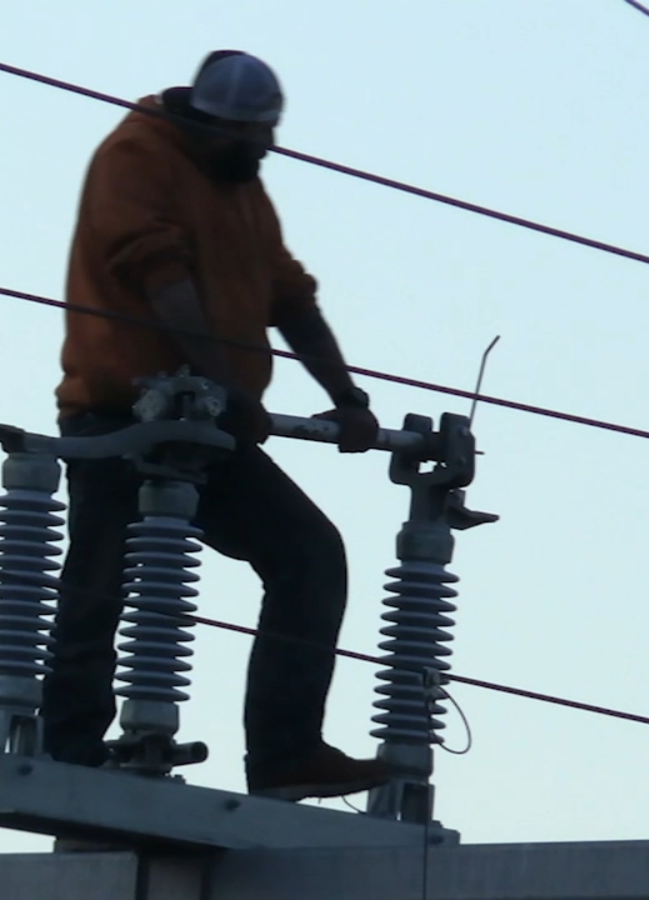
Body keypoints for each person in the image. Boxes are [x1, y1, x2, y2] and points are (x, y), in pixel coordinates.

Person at [43, 49, 391, 802]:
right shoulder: (136, 158)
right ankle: (68, 748)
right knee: (102, 577)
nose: (265, 152)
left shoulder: (240, 184)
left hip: (209, 421)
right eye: (254, 138)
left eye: (270, 137)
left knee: (308, 555)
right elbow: (158, 274)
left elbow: (288, 297)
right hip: (120, 414)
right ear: (214, 125)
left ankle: (285, 754)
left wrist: (348, 398)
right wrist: (225, 385)